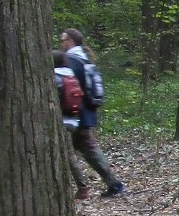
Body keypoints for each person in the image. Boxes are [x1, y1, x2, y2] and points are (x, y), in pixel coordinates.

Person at [59, 28, 126, 198]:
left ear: (71, 41)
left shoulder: (71, 60)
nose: (61, 43)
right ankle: (112, 184)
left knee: (73, 150)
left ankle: (87, 188)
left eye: (63, 40)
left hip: (73, 113)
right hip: (85, 111)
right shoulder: (84, 58)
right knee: (88, 149)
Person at [53, 49, 91, 200]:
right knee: (68, 154)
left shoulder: (54, 78)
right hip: (73, 120)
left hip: (61, 122)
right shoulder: (70, 75)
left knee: (68, 155)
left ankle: (82, 187)